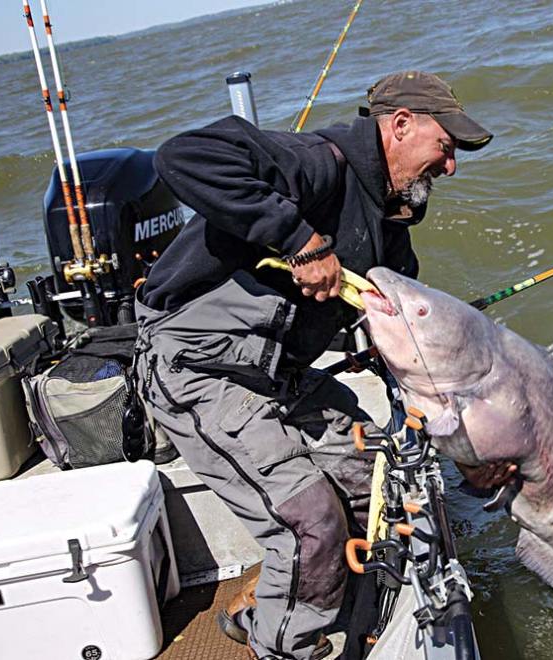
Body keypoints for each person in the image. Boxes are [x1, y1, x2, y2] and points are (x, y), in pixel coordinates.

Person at [134, 71, 492, 660]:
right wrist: (300, 240)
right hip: (197, 367)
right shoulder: (316, 161)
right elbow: (183, 156)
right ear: (400, 126)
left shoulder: (389, 225)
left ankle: (311, 619)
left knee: (375, 476)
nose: (449, 166)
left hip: (278, 376)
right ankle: (285, 648)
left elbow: (412, 340)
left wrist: (472, 448)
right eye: (445, 147)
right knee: (313, 522)